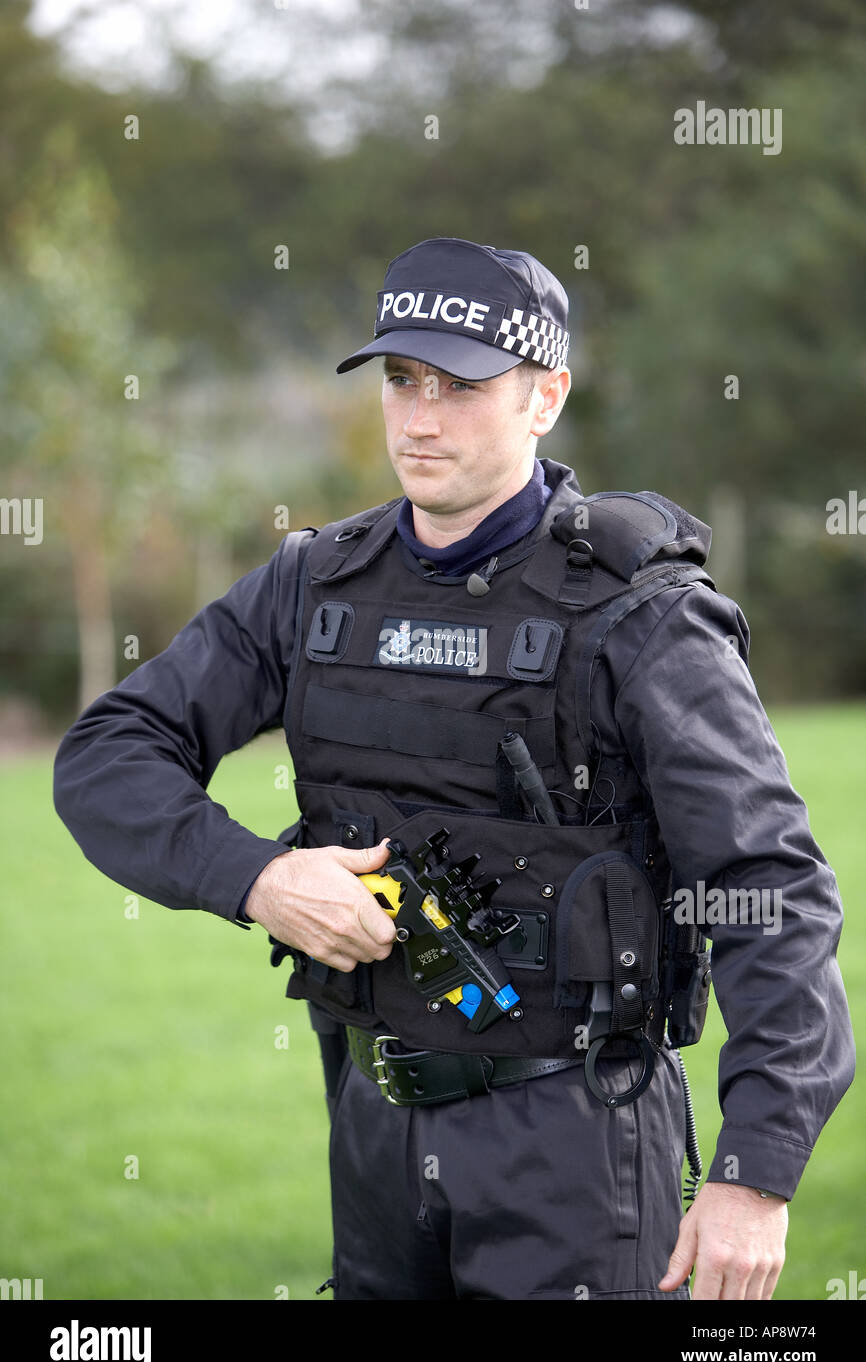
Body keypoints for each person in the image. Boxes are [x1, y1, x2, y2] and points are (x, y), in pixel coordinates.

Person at [53, 236, 855, 1302]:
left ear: (545, 397)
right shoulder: (311, 588)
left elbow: (769, 887)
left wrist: (755, 1171)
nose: (420, 418)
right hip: (374, 1128)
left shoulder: (642, 614)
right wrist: (254, 878)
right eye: (400, 380)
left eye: (462, 386)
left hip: (578, 1146)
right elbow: (108, 752)